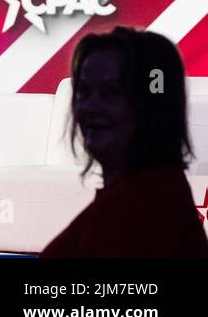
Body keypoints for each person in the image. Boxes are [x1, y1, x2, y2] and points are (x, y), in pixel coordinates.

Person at [39, 26, 208, 258]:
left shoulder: (147, 207)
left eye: (111, 93)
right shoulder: (138, 196)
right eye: (84, 92)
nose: (91, 107)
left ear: (152, 107)